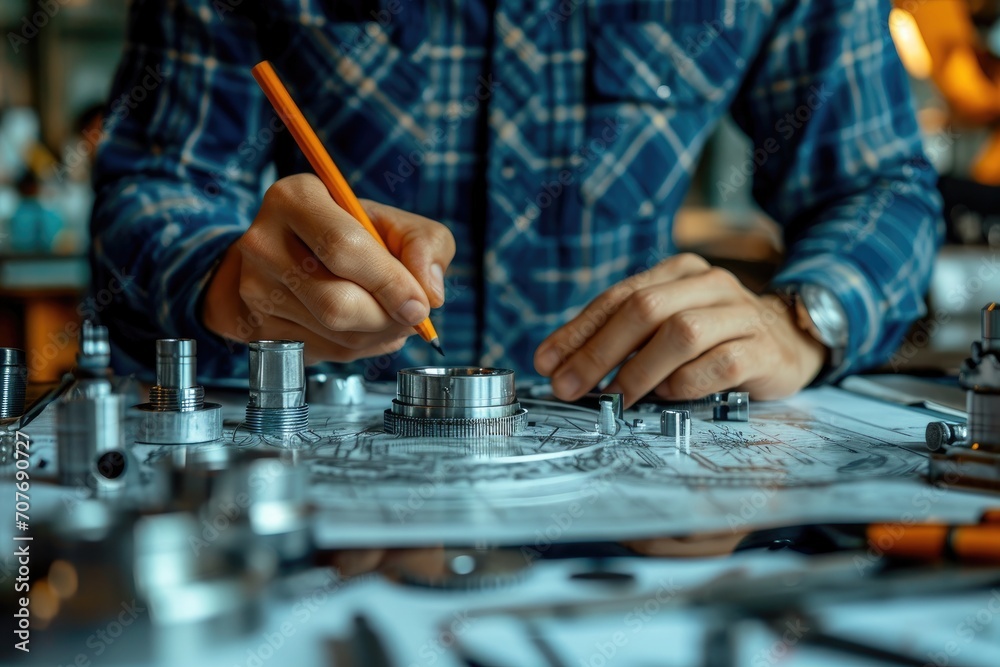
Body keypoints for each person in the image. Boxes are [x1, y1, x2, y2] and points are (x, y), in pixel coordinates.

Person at [91, 0, 942, 408]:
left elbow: (880, 188)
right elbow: (157, 185)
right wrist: (230, 282)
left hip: (634, 504)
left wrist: (802, 320)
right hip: (305, 485)